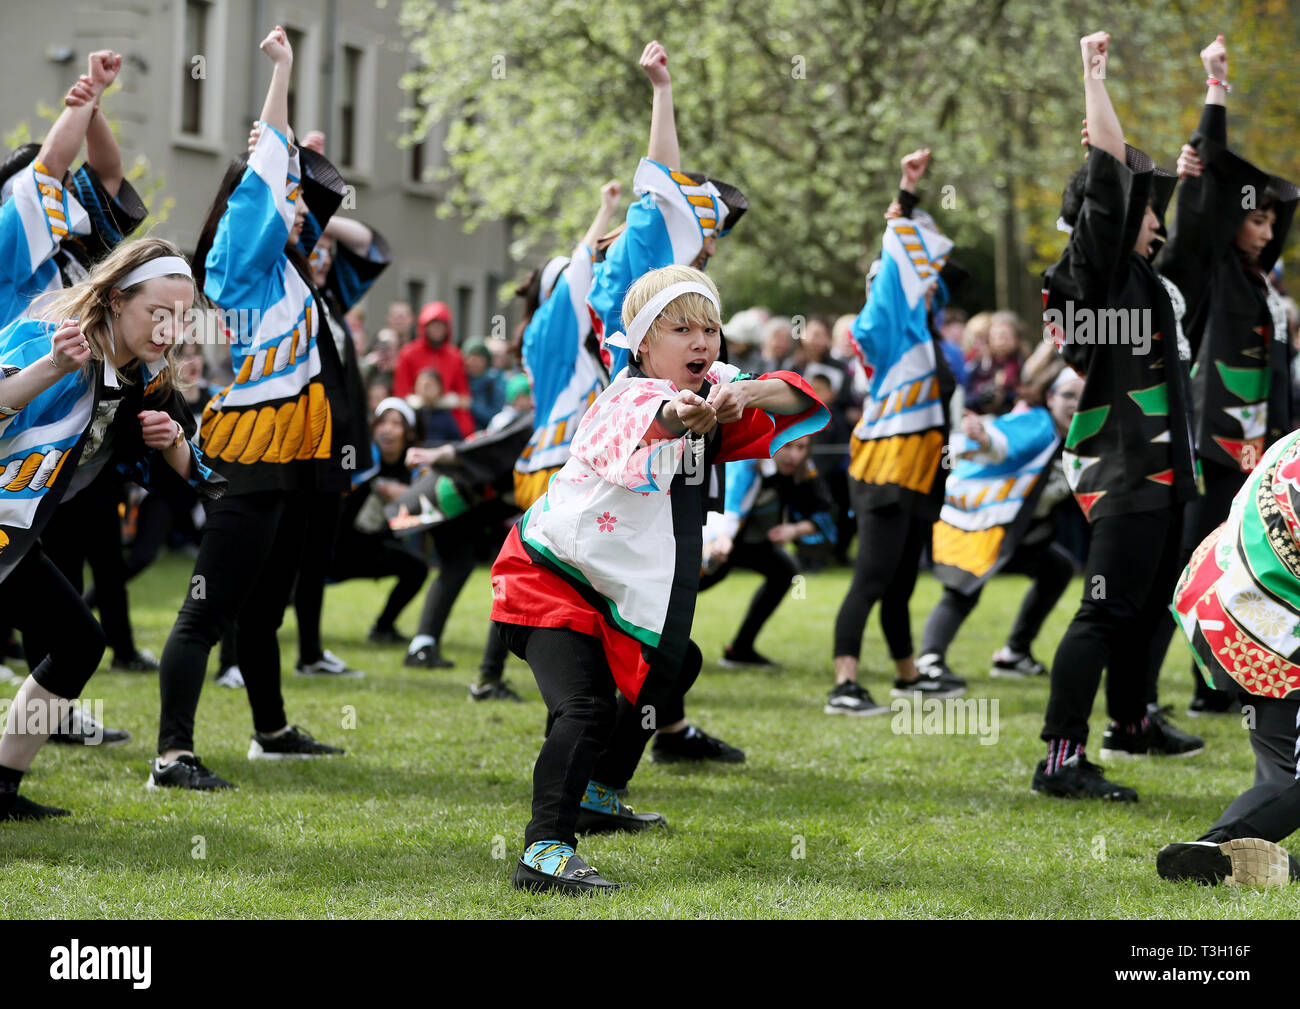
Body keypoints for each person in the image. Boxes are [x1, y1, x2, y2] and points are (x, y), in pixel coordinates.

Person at [491, 265, 826, 894]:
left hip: (610, 587)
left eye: (711, 329)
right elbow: (659, 419)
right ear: (644, 343)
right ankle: (543, 851)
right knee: (585, 706)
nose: (702, 342)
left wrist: (745, 396)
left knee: (673, 665)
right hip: (547, 575)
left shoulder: (718, 381)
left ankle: (597, 794)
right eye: (682, 329)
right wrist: (685, 413)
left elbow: (800, 397)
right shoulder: (626, 399)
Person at [150, 27, 353, 791]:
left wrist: (295, 149)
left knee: (264, 606)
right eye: (288, 198)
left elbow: (298, 183)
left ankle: (270, 730)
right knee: (206, 608)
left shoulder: (289, 272)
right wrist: (283, 72)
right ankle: (171, 756)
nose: (301, 210)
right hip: (251, 453)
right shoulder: (240, 262)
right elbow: (268, 177)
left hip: (293, 454)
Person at [1031, 31, 1202, 803]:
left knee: (1142, 609)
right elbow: (1109, 181)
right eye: (1147, 212)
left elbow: (1134, 190)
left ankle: (1129, 722)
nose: (1155, 222)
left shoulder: (1137, 278)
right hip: (1122, 469)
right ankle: (1060, 757)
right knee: (1102, 613)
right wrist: (1093, 79)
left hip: (1165, 472)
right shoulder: (1091, 277)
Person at [0, 237, 218, 819]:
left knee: (77, 642)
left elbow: (195, 469)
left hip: (12, 535)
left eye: (181, 317)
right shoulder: (54, 339)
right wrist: (52, 367)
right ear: (117, 301)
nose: (170, 330)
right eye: (158, 313)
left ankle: (1, 786)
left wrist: (172, 442)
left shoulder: (148, 379)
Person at [1152, 33, 1299, 718]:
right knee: (1192, 560)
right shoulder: (1213, 273)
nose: (1268, 231)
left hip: (1255, 445)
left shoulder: (1260, 282)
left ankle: (1217, 685)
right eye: (1258, 219)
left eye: (1274, 221)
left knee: (1244, 565)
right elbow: (1204, 214)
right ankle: (1144, 700)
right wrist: (1215, 97)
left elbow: (1278, 207)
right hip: (1209, 441)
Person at [827, 147, 965, 715]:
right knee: (873, 575)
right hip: (885, 463)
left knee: (904, 577)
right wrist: (905, 197)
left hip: (919, 464)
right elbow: (895, 253)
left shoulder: (923, 330)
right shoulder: (882, 318)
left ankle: (908, 675)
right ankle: (843, 685)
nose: (929, 278)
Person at [1158, 429, 1300, 886]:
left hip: (1229, 602)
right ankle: (1219, 847)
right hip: (1267, 624)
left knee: (1281, 765)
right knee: (1287, 771)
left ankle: (1240, 854)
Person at [920, 368, 1083, 681]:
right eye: (1068, 395)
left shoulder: (1084, 439)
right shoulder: (1037, 422)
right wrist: (985, 439)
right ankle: (929, 661)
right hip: (979, 517)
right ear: (1050, 398)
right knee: (963, 587)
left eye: (1082, 396)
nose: (1075, 404)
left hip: (1019, 531)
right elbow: (1005, 441)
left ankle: (1014, 654)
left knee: (1057, 569)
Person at [702, 434, 835, 668]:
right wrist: (720, 538)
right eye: (788, 446)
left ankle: (740, 649)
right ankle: (654, 654)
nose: (794, 454)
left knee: (785, 571)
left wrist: (794, 530)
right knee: (684, 586)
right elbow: (729, 503)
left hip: (753, 544)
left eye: (801, 447)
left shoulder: (804, 470)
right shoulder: (749, 461)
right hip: (719, 537)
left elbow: (827, 512)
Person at [329, 398, 428, 644]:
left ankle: (383, 628)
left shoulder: (415, 468)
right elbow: (340, 476)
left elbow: (424, 510)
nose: (387, 429)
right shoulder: (357, 455)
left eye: (396, 423)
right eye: (382, 422)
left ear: (409, 432)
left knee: (417, 568)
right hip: (331, 548)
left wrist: (404, 494)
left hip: (369, 551)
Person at [392, 300, 473, 435]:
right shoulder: (408, 353)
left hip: (446, 415)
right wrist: (418, 401)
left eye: (441, 325)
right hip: (416, 413)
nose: (437, 329)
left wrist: (443, 401)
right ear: (424, 327)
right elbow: (400, 392)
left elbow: (464, 397)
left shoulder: (455, 356)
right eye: (433, 325)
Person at [464, 341, 505, 430]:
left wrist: (471, 405)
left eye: (478, 359)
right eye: (471, 358)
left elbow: (496, 416)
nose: (474, 363)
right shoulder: (461, 381)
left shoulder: (493, 384)